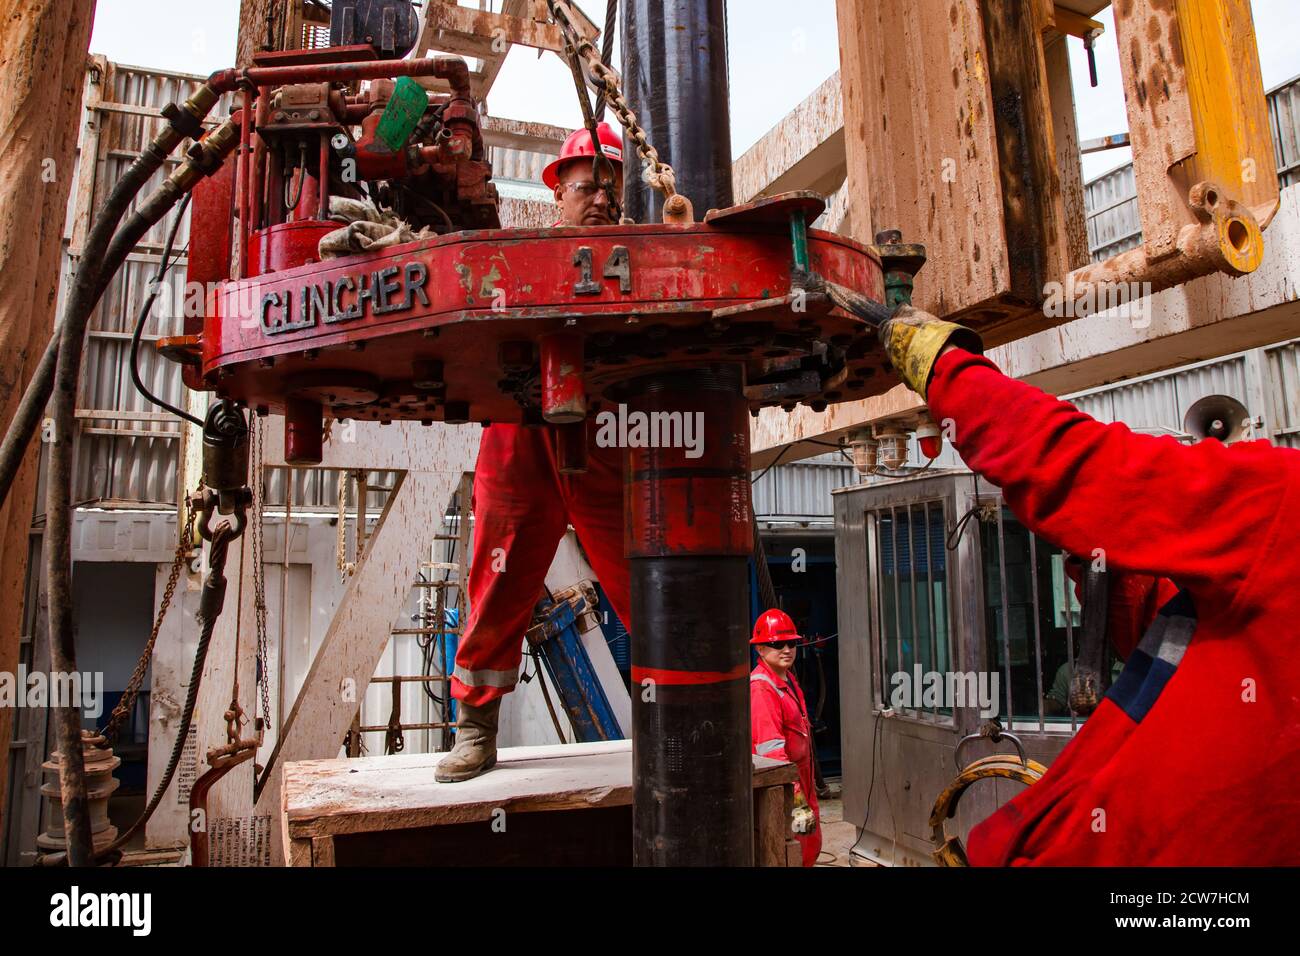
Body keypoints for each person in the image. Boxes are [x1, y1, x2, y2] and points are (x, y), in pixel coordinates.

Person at [877, 305, 1299, 865]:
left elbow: (1080, 464)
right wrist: (1107, 549)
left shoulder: (1282, 506)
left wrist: (942, 363)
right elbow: (1168, 646)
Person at [436, 122, 628, 783]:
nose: (600, 199)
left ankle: (682, 714)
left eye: (611, 189)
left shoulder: (639, 260)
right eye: (586, 186)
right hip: (520, 432)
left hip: (604, 433)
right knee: (498, 579)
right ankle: (476, 728)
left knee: (648, 578)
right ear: (558, 193)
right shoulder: (524, 254)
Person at [750, 609, 822, 867]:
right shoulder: (761, 688)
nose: (786, 649)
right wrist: (795, 796)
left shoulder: (787, 678)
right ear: (759, 649)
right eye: (776, 644)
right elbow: (771, 751)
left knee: (809, 844)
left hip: (802, 776)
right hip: (785, 785)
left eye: (791, 643)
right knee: (792, 849)